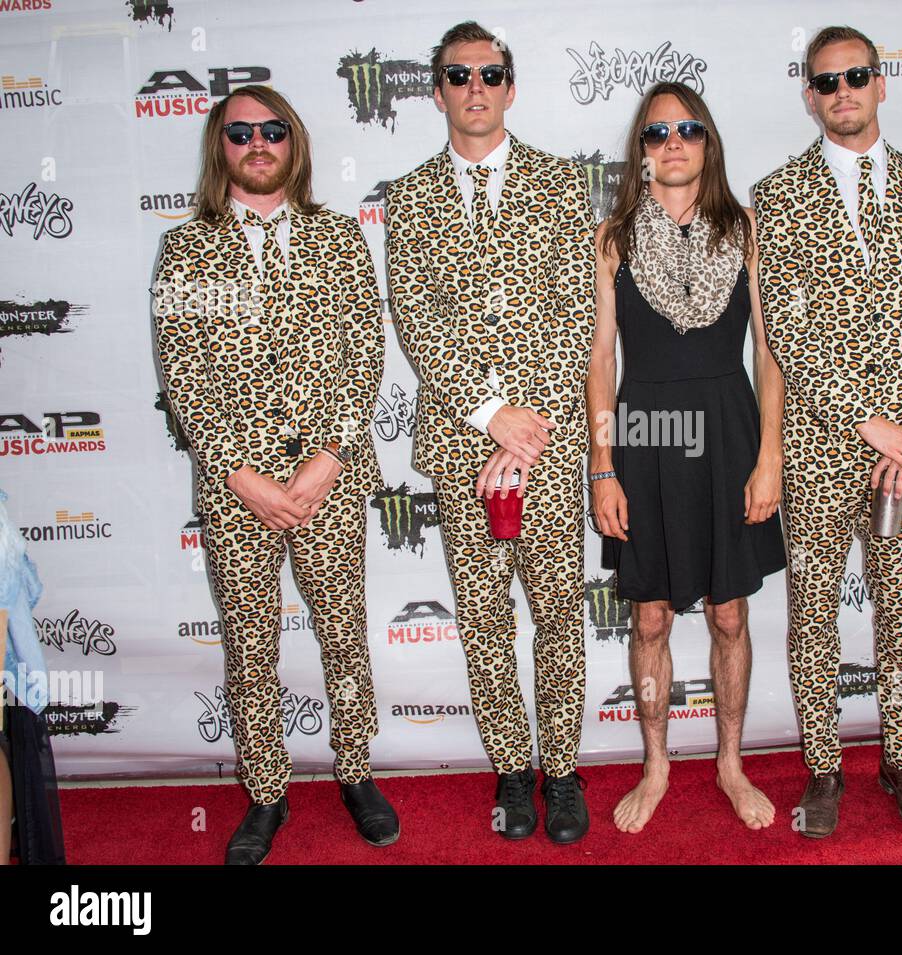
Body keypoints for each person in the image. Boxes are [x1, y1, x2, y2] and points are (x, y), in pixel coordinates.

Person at [151, 85, 395, 864]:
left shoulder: (340, 237)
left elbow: (365, 356)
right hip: (238, 492)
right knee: (251, 647)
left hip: (329, 476)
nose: (258, 142)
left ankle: (355, 770)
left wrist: (327, 460)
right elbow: (182, 376)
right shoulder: (186, 249)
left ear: (295, 141)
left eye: (273, 129)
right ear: (219, 148)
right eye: (240, 132)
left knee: (343, 636)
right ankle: (265, 791)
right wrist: (240, 475)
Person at [386, 21, 596, 844]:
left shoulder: (558, 184)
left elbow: (573, 311)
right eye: (458, 74)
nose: (475, 87)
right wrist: (488, 417)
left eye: (490, 73)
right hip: (458, 440)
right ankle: (512, 765)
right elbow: (419, 321)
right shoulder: (409, 196)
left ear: (511, 86)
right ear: (437, 91)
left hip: (543, 443)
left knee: (557, 613)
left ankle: (565, 769)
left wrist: (524, 429)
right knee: (482, 616)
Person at [753, 25, 902, 837]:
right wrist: (870, 423)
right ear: (809, 96)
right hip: (818, 442)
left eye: (856, 77)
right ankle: (824, 766)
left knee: (900, 609)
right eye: (826, 82)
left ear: (882, 84)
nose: (842, 93)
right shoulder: (778, 194)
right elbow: (786, 333)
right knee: (812, 613)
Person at [587, 83, 786, 834]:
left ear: (709, 142)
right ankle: (657, 763)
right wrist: (603, 466)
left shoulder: (746, 228)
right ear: (641, 147)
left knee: (730, 613)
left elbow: (768, 354)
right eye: (658, 130)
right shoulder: (613, 238)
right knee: (648, 620)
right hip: (643, 437)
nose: (674, 142)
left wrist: (770, 456)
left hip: (730, 434)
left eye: (689, 129)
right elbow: (601, 362)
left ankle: (730, 762)